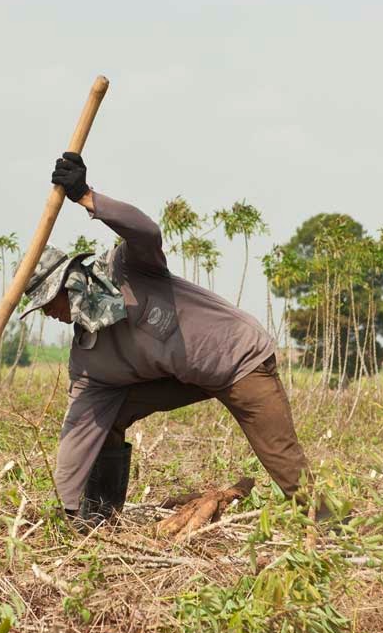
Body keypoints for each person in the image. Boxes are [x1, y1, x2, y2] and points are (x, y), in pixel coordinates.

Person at [21, 152, 316, 525]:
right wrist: (67, 508)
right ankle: (98, 516)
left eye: (50, 301)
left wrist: (87, 197)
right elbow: (78, 426)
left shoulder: (127, 269)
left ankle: (328, 528)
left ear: (70, 284)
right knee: (103, 417)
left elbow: (145, 231)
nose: (48, 312)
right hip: (182, 377)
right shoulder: (89, 356)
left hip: (238, 361)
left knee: (282, 458)